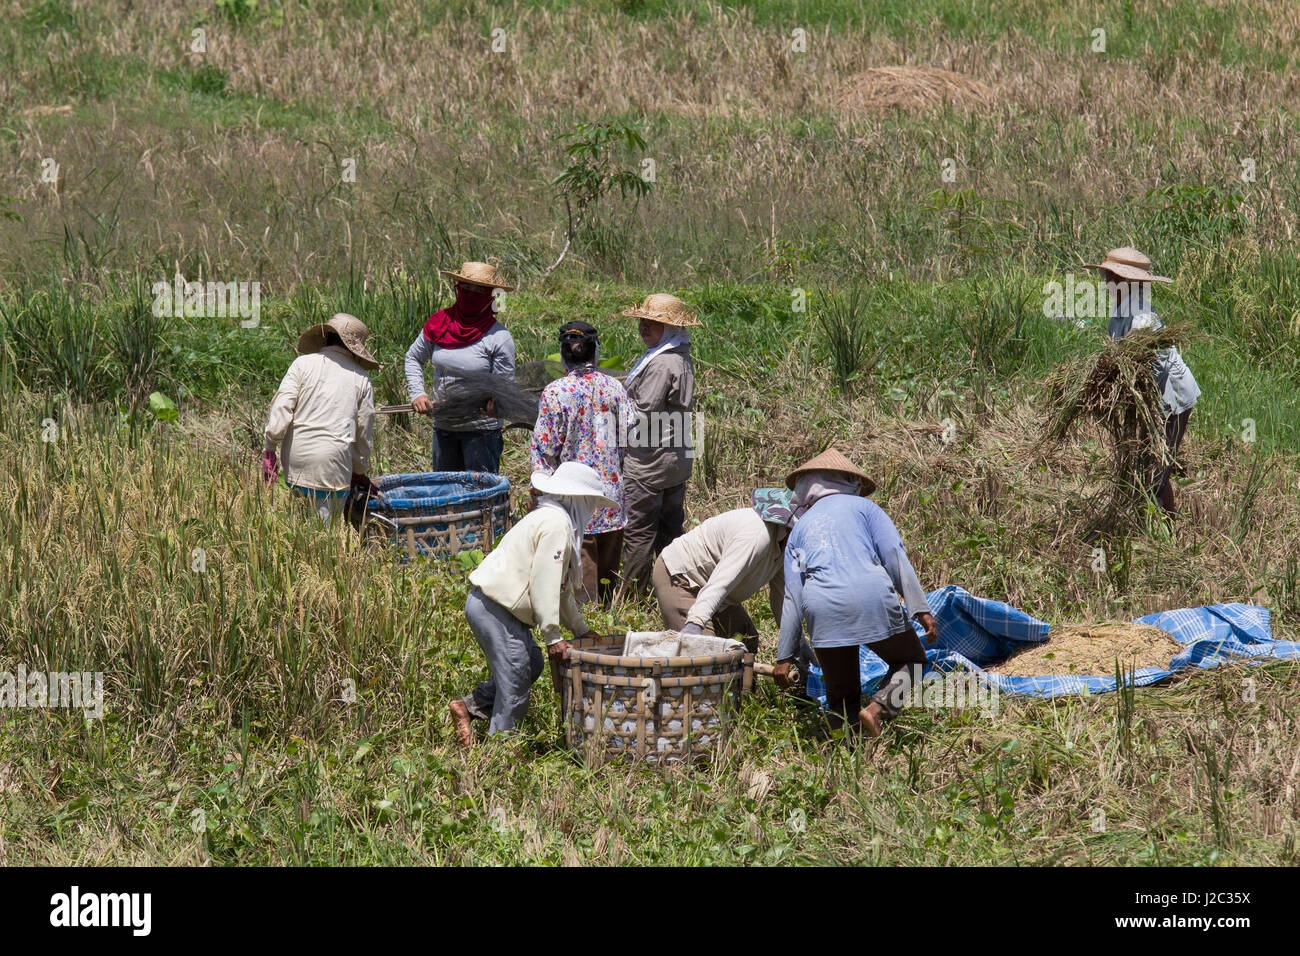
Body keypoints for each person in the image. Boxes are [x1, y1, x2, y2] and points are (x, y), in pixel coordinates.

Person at [772, 448, 938, 738]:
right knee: (912, 662)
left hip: (821, 608)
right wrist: (919, 607)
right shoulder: (867, 509)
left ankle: (845, 755)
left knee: (841, 697)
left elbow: (792, 597)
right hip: (870, 597)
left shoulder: (799, 529)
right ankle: (877, 710)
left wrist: (783, 656)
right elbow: (893, 554)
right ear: (848, 481)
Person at [448, 461, 610, 744]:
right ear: (579, 499)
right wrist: (553, 635)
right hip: (496, 607)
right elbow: (544, 582)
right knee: (516, 672)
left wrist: (580, 630)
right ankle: (502, 752)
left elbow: (559, 591)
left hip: (490, 605)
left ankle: (470, 708)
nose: (592, 510)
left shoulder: (551, 520)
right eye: (591, 502)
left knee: (531, 662)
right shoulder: (557, 525)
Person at [1085, 246, 1200, 514]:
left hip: (1170, 400)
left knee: (1154, 471)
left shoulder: (1142, 317)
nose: (1106, 284)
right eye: (1105, 277)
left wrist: (1127, 393)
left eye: (1109, 278)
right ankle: (1155, 525)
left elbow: (1151, 369)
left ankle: (1163, 532)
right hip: (1151, 400)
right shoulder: (1122, 308)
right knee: (1151, 466)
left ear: (1124, 281)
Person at [529, 320, 631, 606]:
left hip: (575, 503)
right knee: (608, 590)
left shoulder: (555, 392)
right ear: (594, 351)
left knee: (583, 597)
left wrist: (538, 491)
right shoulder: (615, 388)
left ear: (563, 354)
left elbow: (544, 449)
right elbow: (629, 436)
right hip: (610, 500)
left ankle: (586, 643)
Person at [618, 294, 700, 594]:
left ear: (669, 328)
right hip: (675, 460)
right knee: (671, 529)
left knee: (639, 531)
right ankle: (676, 590)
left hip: (649, 462)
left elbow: (643, 414)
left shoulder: (661, 363)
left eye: (653, 323)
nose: (644, 327)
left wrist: (610, 411)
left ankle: (632, 597)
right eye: (643, 321)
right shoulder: (679, 355)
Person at [262, 313, 379, 519]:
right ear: (356, 348)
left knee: (299, 521)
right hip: (332, 466)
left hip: (295, 460)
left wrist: (270, 448)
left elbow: (281, 408)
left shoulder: (301, 364)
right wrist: (359, 470)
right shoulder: (361, 379)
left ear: (326, 338)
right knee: (324, 535)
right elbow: (363, 432)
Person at [653, 488, 796, 656]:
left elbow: (781, 601)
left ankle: (742, 682)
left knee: (746, 639)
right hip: (681, 578)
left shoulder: (786, 547)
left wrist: (796, 648)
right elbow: (720, 583)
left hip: (713, 591)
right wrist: (695, 623)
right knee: (703, 655)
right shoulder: (757, 536)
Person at [405, 261, 516, 474]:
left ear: (491, 295)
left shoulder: (499, 337)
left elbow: (504, 385)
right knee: (446, 495)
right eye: (467, 287)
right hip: (444, 427)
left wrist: (498, 406)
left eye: (479, 290)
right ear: (458, 289)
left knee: (479, 497)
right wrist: (418, 394)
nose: (471, 294)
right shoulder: (438, 324)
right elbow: (413, 358)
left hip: (481, 431)